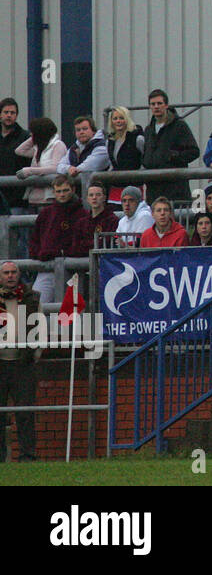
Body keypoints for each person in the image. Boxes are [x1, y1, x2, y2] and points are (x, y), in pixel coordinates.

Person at [0, 260, 40, 461]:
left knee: (25, 412)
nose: (10, 276)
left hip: (22, 364)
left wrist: (34, 355)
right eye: (6, 272)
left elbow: (39, 327)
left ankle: (27, 456)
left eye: (13, 272)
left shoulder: (32, 297)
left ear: (19, 274)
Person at [30, 176, 89, 302]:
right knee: (36, 309)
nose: (62, 194)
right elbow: (34, 239)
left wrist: (63, 253)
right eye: (58, 191)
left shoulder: (82, 215)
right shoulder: (46, 213)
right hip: (46, 268)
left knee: (70, 314)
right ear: (54, 192)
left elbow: (84, 244)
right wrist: (39, 254)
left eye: (65, 190)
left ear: (73, 189)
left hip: (74, 271)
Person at [140, 90, 201, 204]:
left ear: (166, 105)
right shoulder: (148, 130)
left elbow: (194, 151)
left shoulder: (179, 126)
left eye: (159, 103)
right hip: (153, 191)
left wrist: (173, 156)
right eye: (153, 104)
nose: (156, 107)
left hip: (175, 190)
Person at [14, 116, 67, 207]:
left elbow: (55, 168)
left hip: (49, 198)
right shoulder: (38, 148)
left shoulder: (58, 146)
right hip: (34, 198)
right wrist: (33, 138)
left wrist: (30, 171)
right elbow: (19, 151)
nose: (31, 135)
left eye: (33, 133)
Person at [73, 181, 119, 254]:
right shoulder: (81, 223)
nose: (94, 198)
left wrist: (85, 243)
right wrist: (96, 242)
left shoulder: (112, 220)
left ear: (104, 198)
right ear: (87, 199)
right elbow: (76, 247)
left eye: (98, 195)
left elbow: (107, 244)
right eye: (91, 195)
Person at [104, 105, 145, 173]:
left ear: (127, 120)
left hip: (136, 181)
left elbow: (145, 161)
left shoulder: (138, 139)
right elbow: (111, 165)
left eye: (121, 118)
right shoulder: (110, 142)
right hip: (118, 181)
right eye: (115, 119)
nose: (118, 121)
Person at [0, 99, 26, 178]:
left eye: (12, 113)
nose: (9, 115)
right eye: (6, 112)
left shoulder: (24, 137)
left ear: (16, 115)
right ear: (0, 114)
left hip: (17, 185)